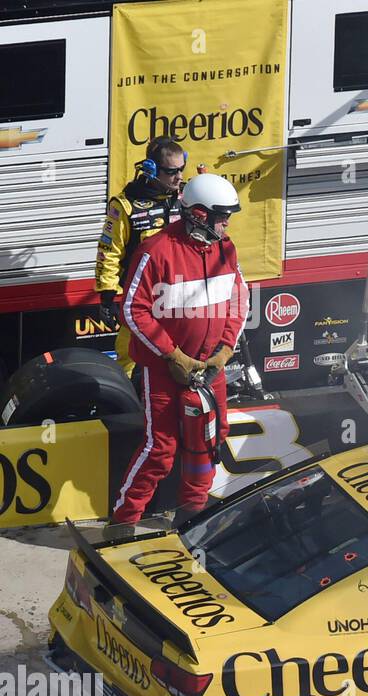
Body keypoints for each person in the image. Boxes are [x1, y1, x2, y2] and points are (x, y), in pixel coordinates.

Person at [107, 174, 249, 536]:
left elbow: (239, 299)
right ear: (199, 214)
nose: (227, 222)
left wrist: (226, 347)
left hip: (210, 369)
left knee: (209, 438)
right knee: (161, 449)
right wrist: (173, 356)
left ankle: (192, 514)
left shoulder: (225, 248)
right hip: (164, 372)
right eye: (222, 216)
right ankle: (122, 524)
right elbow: (132, 310)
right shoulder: (154, 251)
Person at [95, 137, 187, 380]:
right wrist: (108, 294)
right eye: (171, 172)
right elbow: (109, 251)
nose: (178, 177)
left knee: (182, 352)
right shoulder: (125, 206)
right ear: (151, 169)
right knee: (126, 355)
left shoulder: (187, 197)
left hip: (182, 295)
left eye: (181, 169)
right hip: (140, 298)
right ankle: (120, 403)